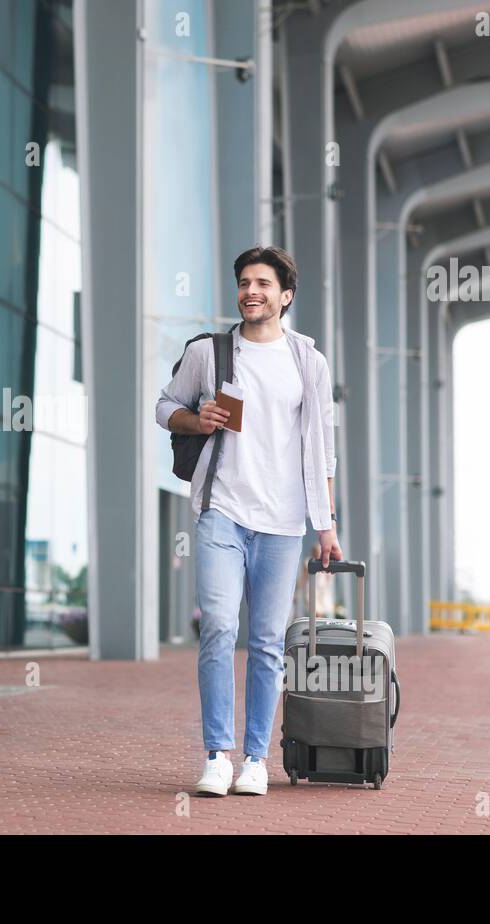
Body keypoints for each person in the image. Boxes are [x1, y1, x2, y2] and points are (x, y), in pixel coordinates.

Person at [156, 245, 341, 797]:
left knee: (265, 641)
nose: (250, 291)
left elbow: (323, 451)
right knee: (218, 626)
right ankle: (218, 755)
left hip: (283, 523)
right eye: (244, 282)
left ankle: (256, 758)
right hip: (221, 512)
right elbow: (165, 406)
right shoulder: (210, 353)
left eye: (262, 283)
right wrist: (197, 416)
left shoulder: (309, 362)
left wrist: (325, 527)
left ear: (285, 295)